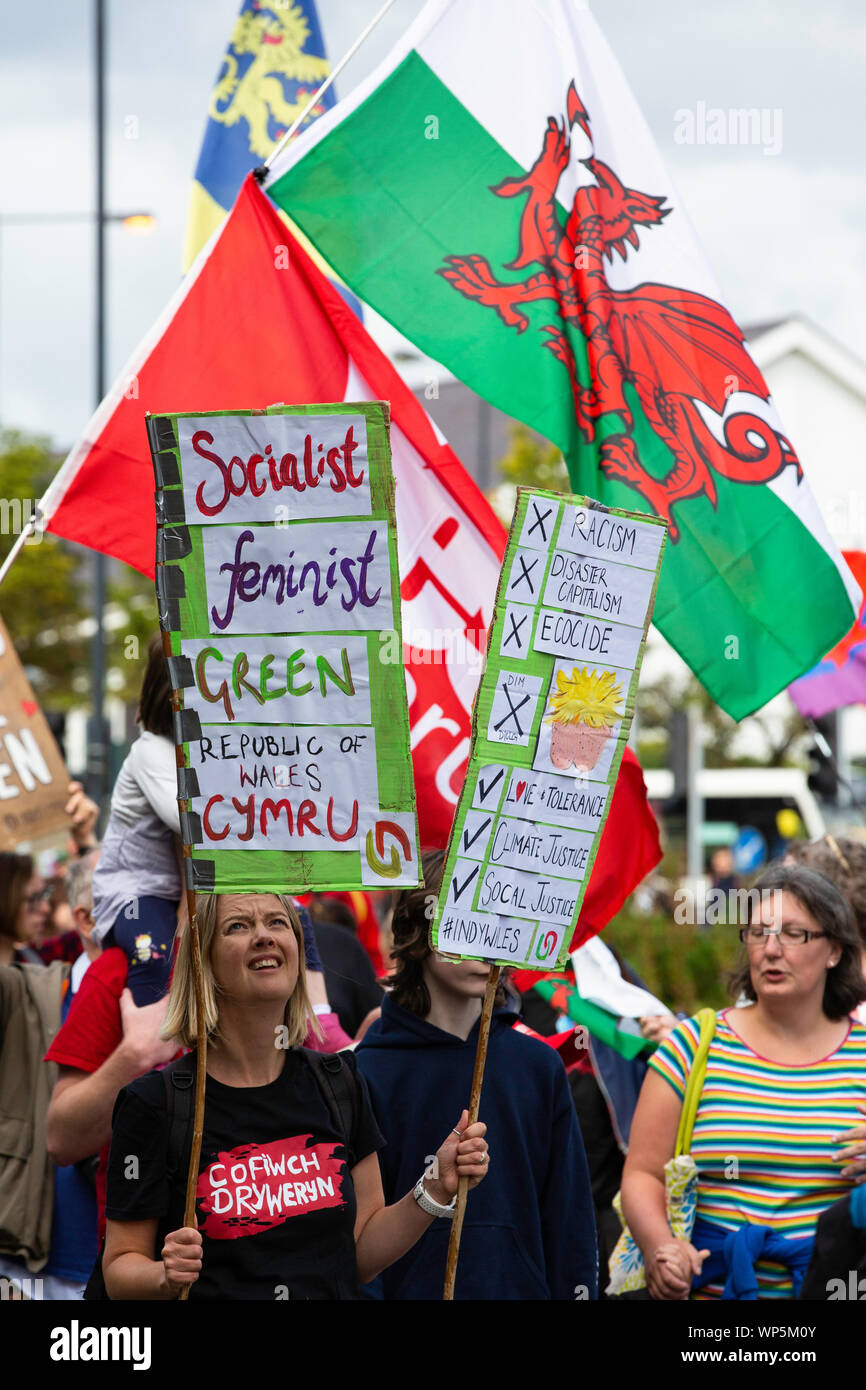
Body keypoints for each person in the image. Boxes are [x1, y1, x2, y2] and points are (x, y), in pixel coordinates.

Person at [101, 891, 488, 1299]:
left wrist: (435, 1188)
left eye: (277, 923)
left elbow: (360, 1254)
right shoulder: (155, 1104)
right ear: (203, 962)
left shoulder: (339, 1081)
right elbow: (120, 1268)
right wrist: (166, 1275)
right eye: (238, 925)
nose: (264, 937)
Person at [356, 851, 598, 1301]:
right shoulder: (365, 1071)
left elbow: (570, 1224)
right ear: (419, 928)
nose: (486, 936)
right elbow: (359, 1244)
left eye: (500, 917)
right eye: (466, 917)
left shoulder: (538, 1066)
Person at [621, 863, 866, 1300]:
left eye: (794, 934)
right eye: (758, 932)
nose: (771, 949)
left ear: (834, 951)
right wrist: (662, 1246)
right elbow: (642, 1174)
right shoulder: (694, 1045)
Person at [90, 634, 184, 1005]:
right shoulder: (150, 753)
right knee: (154, 954)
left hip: (174, 892)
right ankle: (151, 1030)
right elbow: (187, 819)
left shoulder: (187, 752)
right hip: (135, 893)